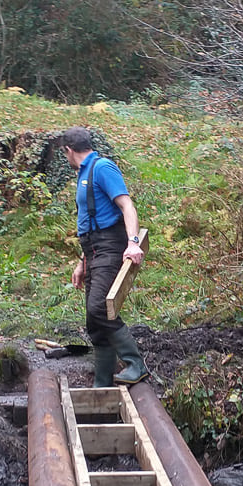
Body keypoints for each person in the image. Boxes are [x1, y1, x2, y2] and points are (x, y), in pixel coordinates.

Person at [62, 127, 148, 386]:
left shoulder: (102, 168)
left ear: (68, 150)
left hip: (111, 248)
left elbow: (127, 206)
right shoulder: (84, 174)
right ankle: (103, 383)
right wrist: (81, 262)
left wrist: (133, 243)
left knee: (100, 308)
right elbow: (89, 223)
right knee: (95, 321)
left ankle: (136, 364)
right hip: (93, 251)